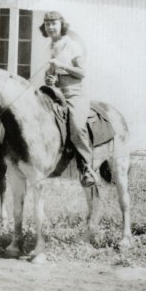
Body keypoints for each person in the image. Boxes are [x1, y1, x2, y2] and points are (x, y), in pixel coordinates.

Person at [42, 11, 95, 187]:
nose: (50, 27)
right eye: (48, 24)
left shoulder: (71, 45)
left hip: (74, 94)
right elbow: (53, 75)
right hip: (55, 93)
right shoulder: (50, 46)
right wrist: (50, 79)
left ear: (61, 25)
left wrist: (62, 65)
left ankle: (87, 168)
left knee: (76, 126)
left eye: (54, 23)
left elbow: (82, 73)